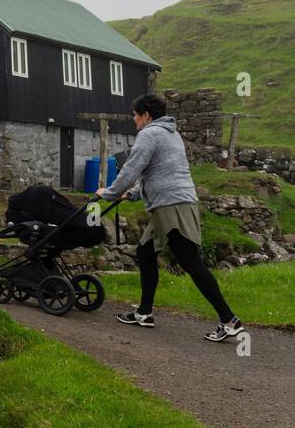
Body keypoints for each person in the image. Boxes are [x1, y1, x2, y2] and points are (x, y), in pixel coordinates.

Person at [97, 93, 244, 342]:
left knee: (190, 261)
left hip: (171, 206)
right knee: (145, 253)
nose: (134, 120)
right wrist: (132, 195)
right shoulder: (171, 134)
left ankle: (229, 320)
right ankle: (144, 313)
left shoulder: (150, 134)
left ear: (146, 115)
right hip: (173, 202)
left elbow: (133, 168)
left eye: (135, 115)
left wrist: (110, 193)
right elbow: (156, 172)